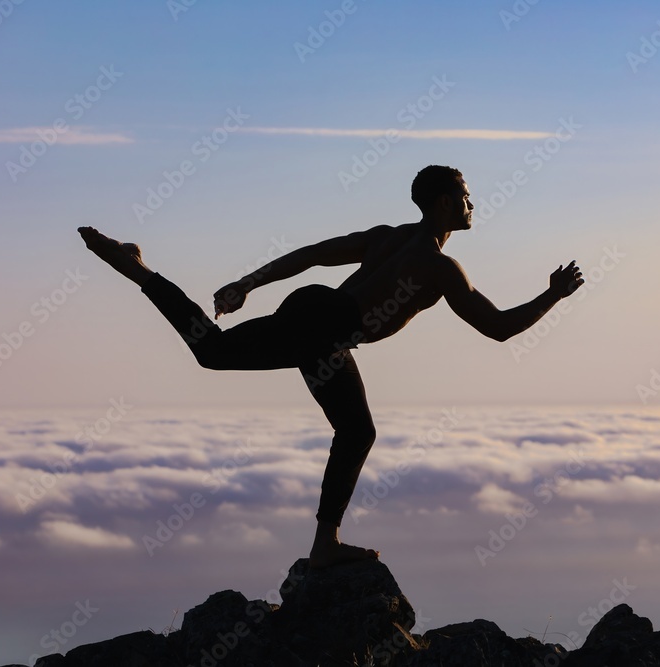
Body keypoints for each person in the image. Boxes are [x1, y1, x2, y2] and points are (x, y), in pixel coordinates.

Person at [78, 165, 584, 568]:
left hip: (320, 321)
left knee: (333, 418)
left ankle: (137, 266)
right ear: (444, 203)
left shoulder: (389, 237)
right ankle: (136, 266)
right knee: (335, 419)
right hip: (324, 329)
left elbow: (314, 256)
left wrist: (248, 283)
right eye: (466, 196)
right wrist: (553, 295)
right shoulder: (440, 267)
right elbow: (497, 328)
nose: (473, 204)